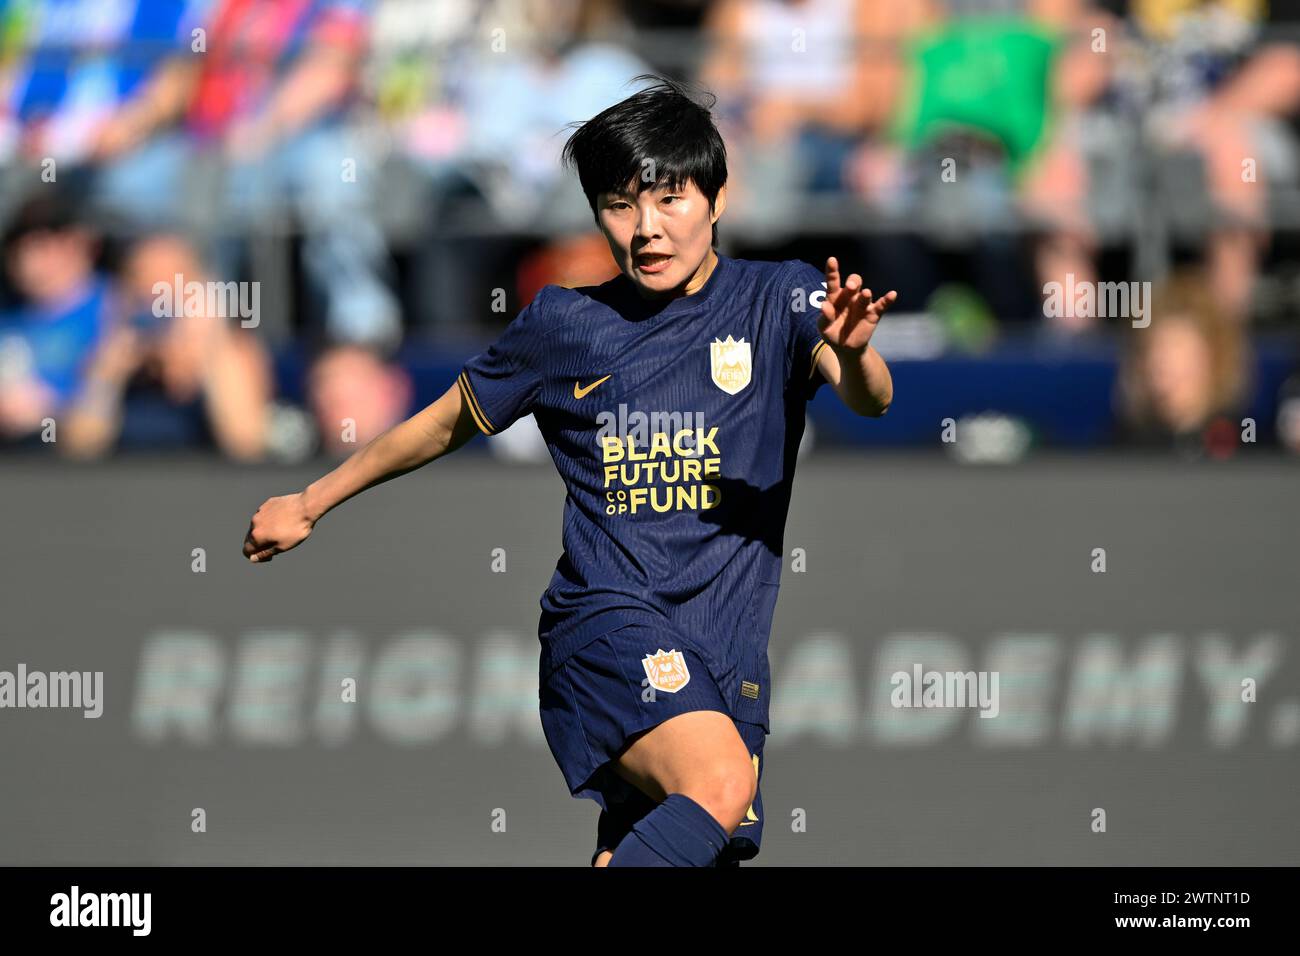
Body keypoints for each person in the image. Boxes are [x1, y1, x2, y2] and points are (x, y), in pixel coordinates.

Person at [240, 76, 895, 867]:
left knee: (676, 846)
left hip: (726, 648)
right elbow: (444, 421)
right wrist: (312, 500)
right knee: (718, 783)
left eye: (670, 201)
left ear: (716, 201)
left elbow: (872, 400)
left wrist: (855, 352)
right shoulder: (565, 325)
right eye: (620, 206)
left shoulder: (778, 298)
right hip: (608, 627)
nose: (646, 229)